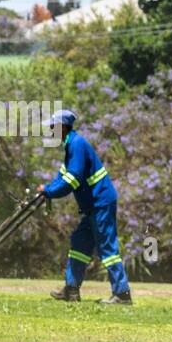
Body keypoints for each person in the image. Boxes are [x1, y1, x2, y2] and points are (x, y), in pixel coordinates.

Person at [40, 109, 132, 305]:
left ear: (62, 127)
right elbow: (62, 177)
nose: (50, 131)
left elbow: (72, 180)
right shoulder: (70, 146)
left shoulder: (77, 145)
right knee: (80, 242)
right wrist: (47, 189)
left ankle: (122, 294)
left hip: (101, 202)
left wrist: (49, 192)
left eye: (52, 127)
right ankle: (71, 289)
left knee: (107, 246)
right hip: (93, 205)